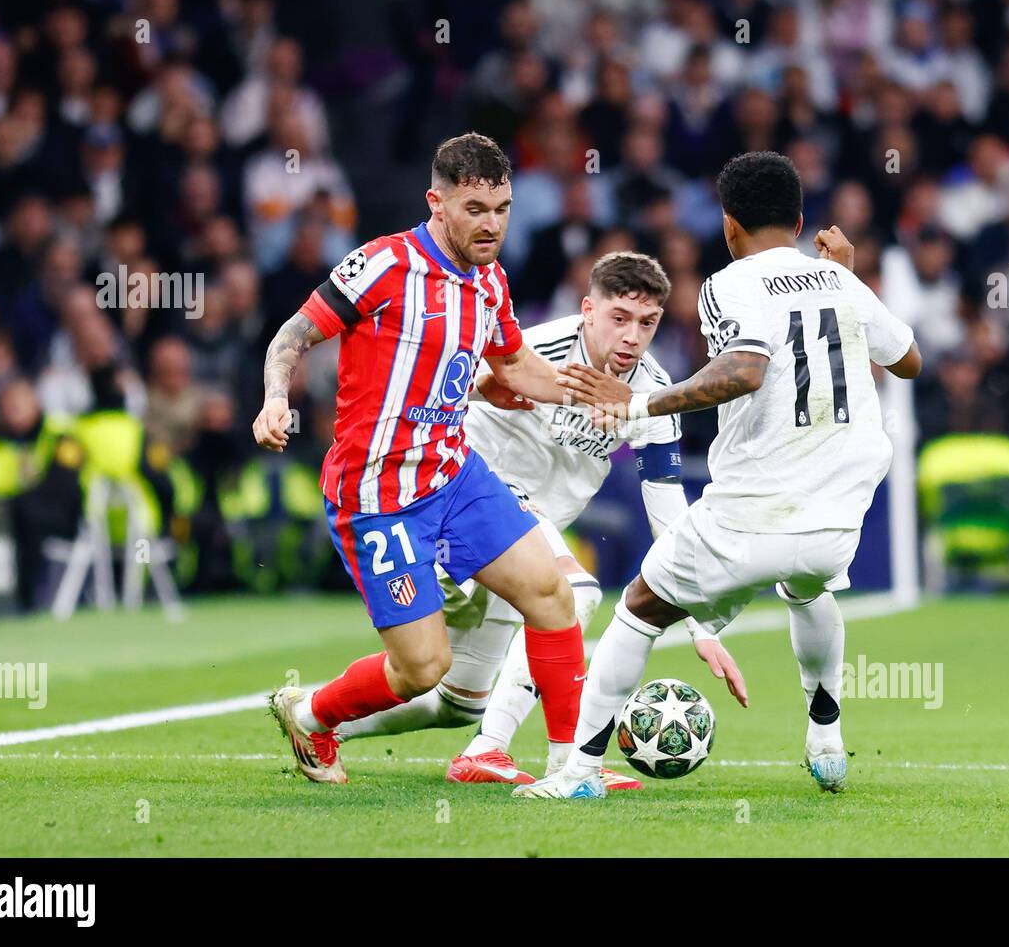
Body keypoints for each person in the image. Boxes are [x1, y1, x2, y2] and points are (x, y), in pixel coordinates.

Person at [516, 151, 922, 800]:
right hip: (841, 503)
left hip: (754, 502)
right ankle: (825, 734)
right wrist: (842, 285)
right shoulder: (841, 280)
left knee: (639, 611)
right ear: (797, 219)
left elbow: (745, 371)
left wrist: (640, 403)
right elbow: (909, 363)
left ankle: (581, 774)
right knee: (808, 588)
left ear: (729, 225)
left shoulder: (727, 284)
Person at [331, 251, 748, 789]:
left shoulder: (650, 392)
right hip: (472, 502)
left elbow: (667, 512)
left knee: (458, 701)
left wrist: (699, 623)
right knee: (575, 592)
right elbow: (444, 400)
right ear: (588, 310)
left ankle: (323, 722)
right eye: (619, 318)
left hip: (527, 536)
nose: (631, 337)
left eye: (647, 323)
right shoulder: (538, 351)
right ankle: (569, 764)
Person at [253, 133, 588, 785]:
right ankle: (313, 715)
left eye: (502, 208)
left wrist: (588, 393)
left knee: (552, 593)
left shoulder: (489, 279)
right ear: (437, 203)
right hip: (375, 493)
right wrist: (273, 400)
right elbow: (294, 334)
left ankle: (571, 769)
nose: (491, 224)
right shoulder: (382, 265)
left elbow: (513, 362)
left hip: (453, 474)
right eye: (475, 209)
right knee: (423, 670)